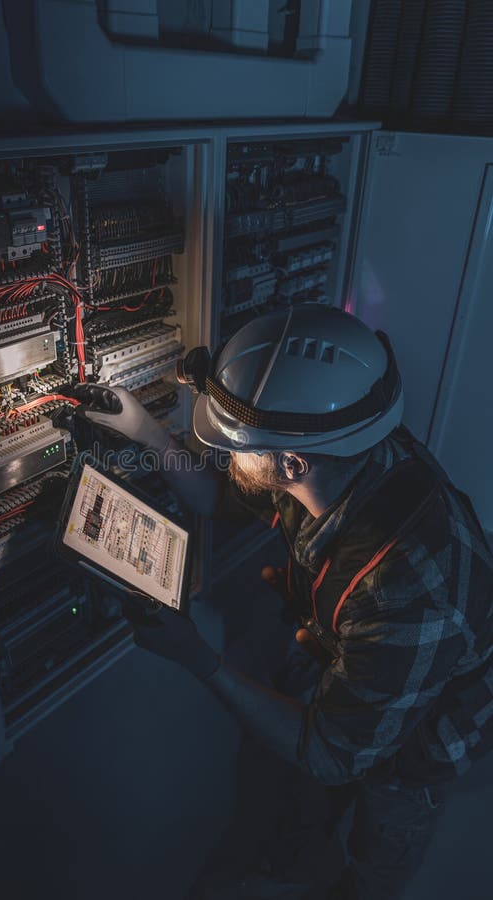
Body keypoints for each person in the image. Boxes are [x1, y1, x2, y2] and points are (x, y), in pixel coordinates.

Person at [77, 305, 493, 899]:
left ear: (292, 463)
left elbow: (330, 752)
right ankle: (301, 849)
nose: (226, 455)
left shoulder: (411, 596)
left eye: (237, 446)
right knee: (311, 789)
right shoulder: (346, 447)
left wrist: (196, 655)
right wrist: (144, 429)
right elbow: (225, 497)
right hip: (357, 655)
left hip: (430, 732)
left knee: (384, 828)